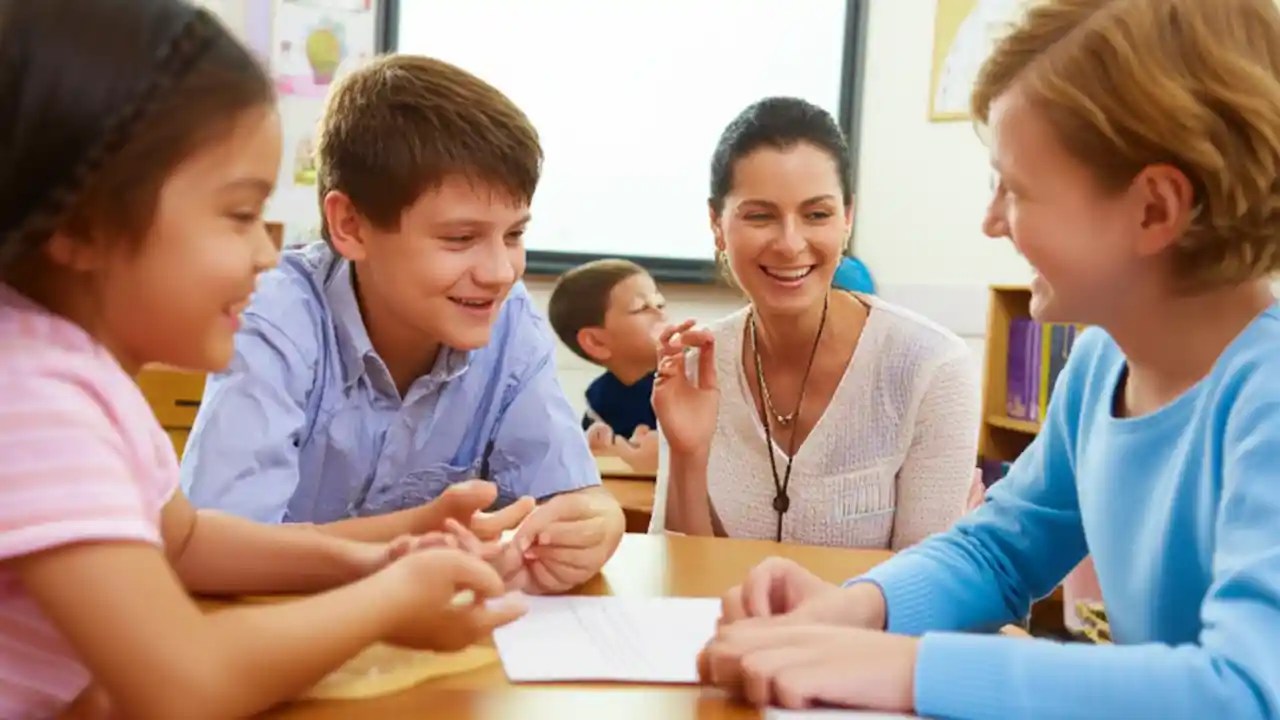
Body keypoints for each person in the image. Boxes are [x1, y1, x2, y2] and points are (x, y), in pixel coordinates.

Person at [698, 0, 1280, 717]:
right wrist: (857, 610)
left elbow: (1248, 692)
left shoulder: (1267, 393)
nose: (991, 218)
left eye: (1017, 188)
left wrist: (906, 669)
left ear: (1155, 209)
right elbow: (1000, 552)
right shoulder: (1102, 364)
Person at [0, 3, 526, 718]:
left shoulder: (81, 377)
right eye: (240, 215)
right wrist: (388, 600)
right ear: (81, 226)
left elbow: (182, 541)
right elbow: (184, 684)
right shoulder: (32, 398)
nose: (266, 253)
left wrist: (371, 559)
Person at [179, 54, 625, 594]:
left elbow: (574, 495)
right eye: (460, 239)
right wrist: (410, 541)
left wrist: (596, 520)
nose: (500, 272)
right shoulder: (277, 318)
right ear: (350, 226)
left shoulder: (510, 325)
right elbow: (215, 551)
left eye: (513, 235)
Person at [650, 97, 979, 549]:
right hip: (722, 620)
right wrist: (688, 456)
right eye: (760, 215)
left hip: (868, 624)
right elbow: (677, 585)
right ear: (717, 224)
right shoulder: (697, 364)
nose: (789, 243)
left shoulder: (930, 367)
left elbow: (927, 588)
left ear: (847, 218)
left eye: (817, 215)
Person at [547, 258, 666, 472]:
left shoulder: (694, 379)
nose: (660, 314)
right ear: (596, 342)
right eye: (642, 308)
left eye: (659, 304)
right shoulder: (600, 406)